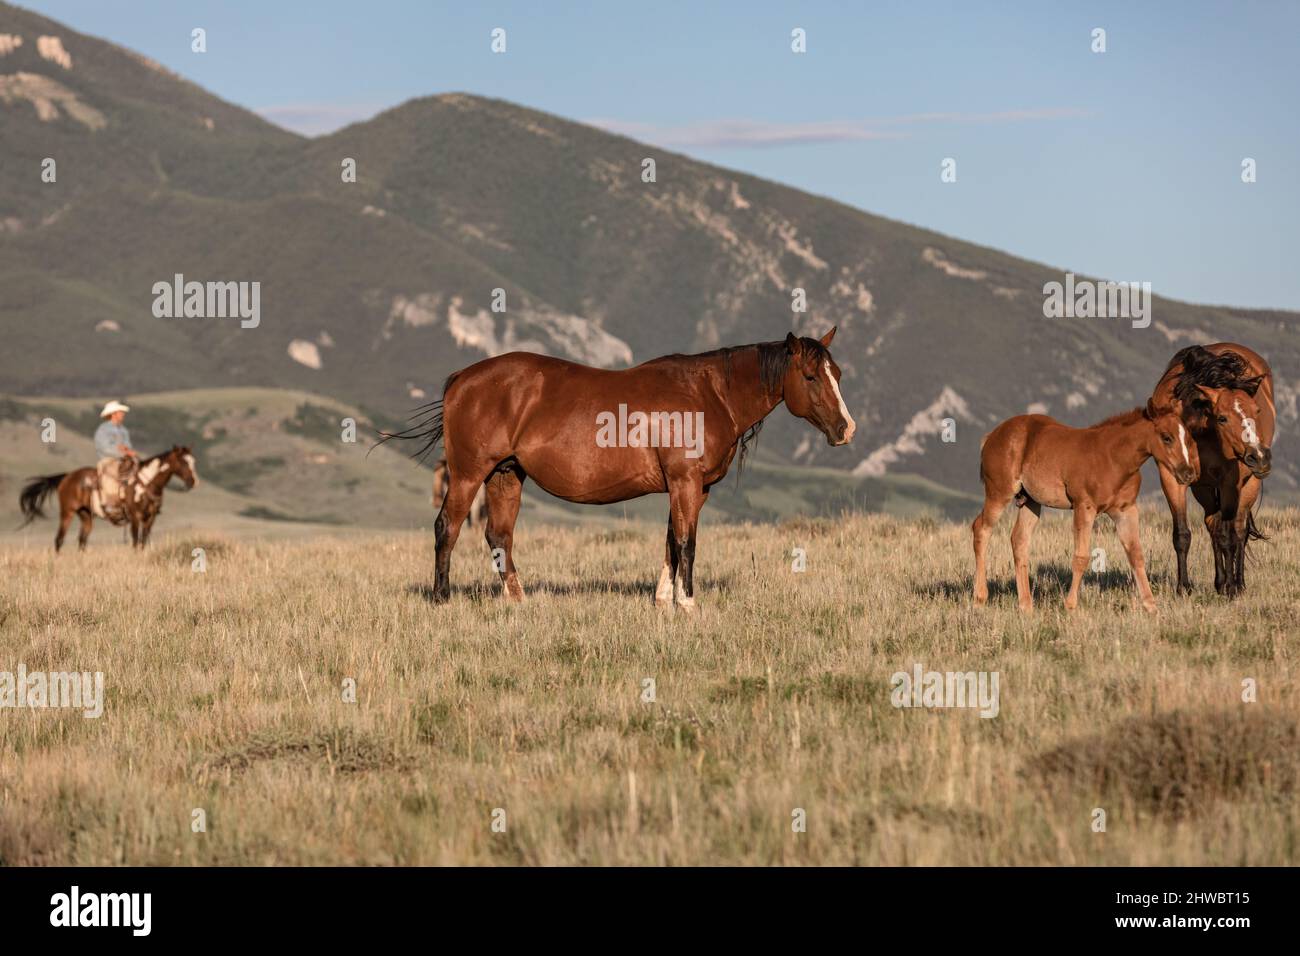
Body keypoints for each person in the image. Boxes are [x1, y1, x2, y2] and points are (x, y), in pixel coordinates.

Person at [93, 400, 138, 516]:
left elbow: (128, 445)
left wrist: (127, 451)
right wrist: (121, 451)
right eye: (120, 412)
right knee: (111, 475)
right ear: (113, 414)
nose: (123, 414)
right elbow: (104, 447)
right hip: (109, 459)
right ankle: (110, 503)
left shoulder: (124, 430)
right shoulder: (103, 430)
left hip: (124, 459)